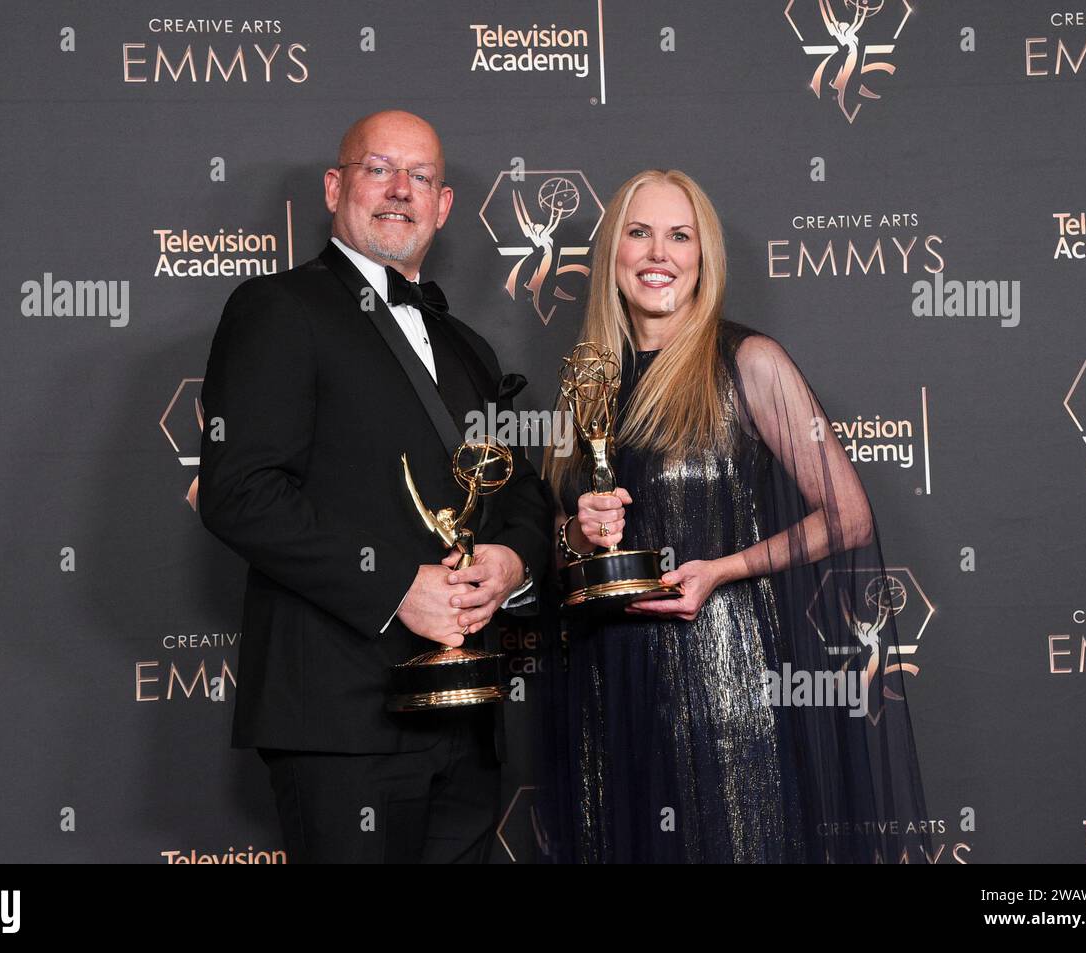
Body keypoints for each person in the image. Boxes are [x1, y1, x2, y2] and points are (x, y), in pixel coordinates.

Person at [541, 169, 928, 863]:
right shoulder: (587, 381)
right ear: (613, 254)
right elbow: (560, 552)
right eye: (639, 233)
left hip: (723, 678)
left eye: (679, 236)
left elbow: (849, 516)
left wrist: (723, 569)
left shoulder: (749, 361)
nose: (658, 253)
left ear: (703, 256)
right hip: (610, 685)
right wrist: (577, 531)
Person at [198, 110, 552, 863]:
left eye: (420, 176)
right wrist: (398, 586)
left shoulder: (470, 346)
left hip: (465, 717)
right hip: (339, 719)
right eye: (378, 168)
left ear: (444, 205)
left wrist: (512, 563)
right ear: (335, 186)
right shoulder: (277, 308)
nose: (400, 191)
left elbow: (518, 491)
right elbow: (240, 490)